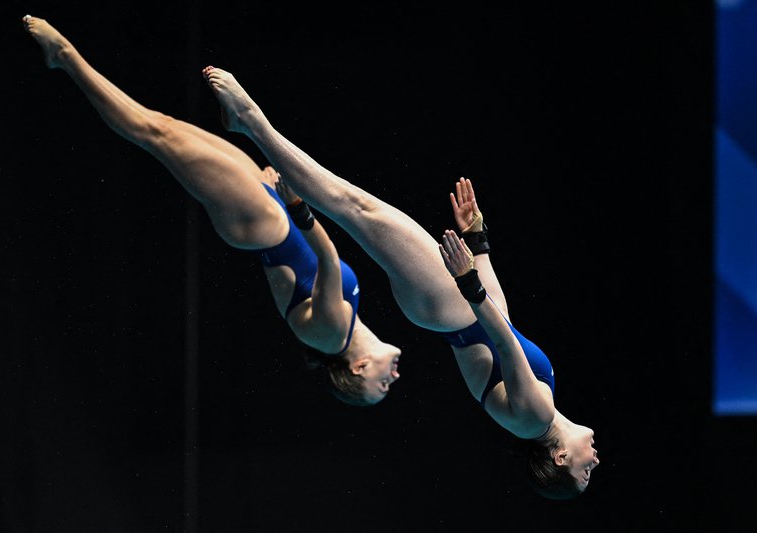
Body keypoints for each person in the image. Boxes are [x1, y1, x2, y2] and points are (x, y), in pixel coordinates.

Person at [202, 65, 600, 499]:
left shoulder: (534, 419)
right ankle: (251, 126)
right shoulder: (540, 411)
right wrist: (479, 242)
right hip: (452, 303)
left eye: (584, 474)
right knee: (355, 208)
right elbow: (504, 325)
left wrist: (468, 282)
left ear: (560, 459)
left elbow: (502, 340)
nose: (594, 462)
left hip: (450, 303)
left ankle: (250, 121)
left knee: (353, 207)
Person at [21, 15, 401, 407]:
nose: (394, 376)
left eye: (383, 384)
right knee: (162, 125)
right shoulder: (347, 324)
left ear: (358, 368)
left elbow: (326, 257)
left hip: (263, 225)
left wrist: (296, 204)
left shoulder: (330, 335)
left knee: (155, 135)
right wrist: (284, 202)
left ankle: (64, 55)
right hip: (274, 215)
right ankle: (238, 120)